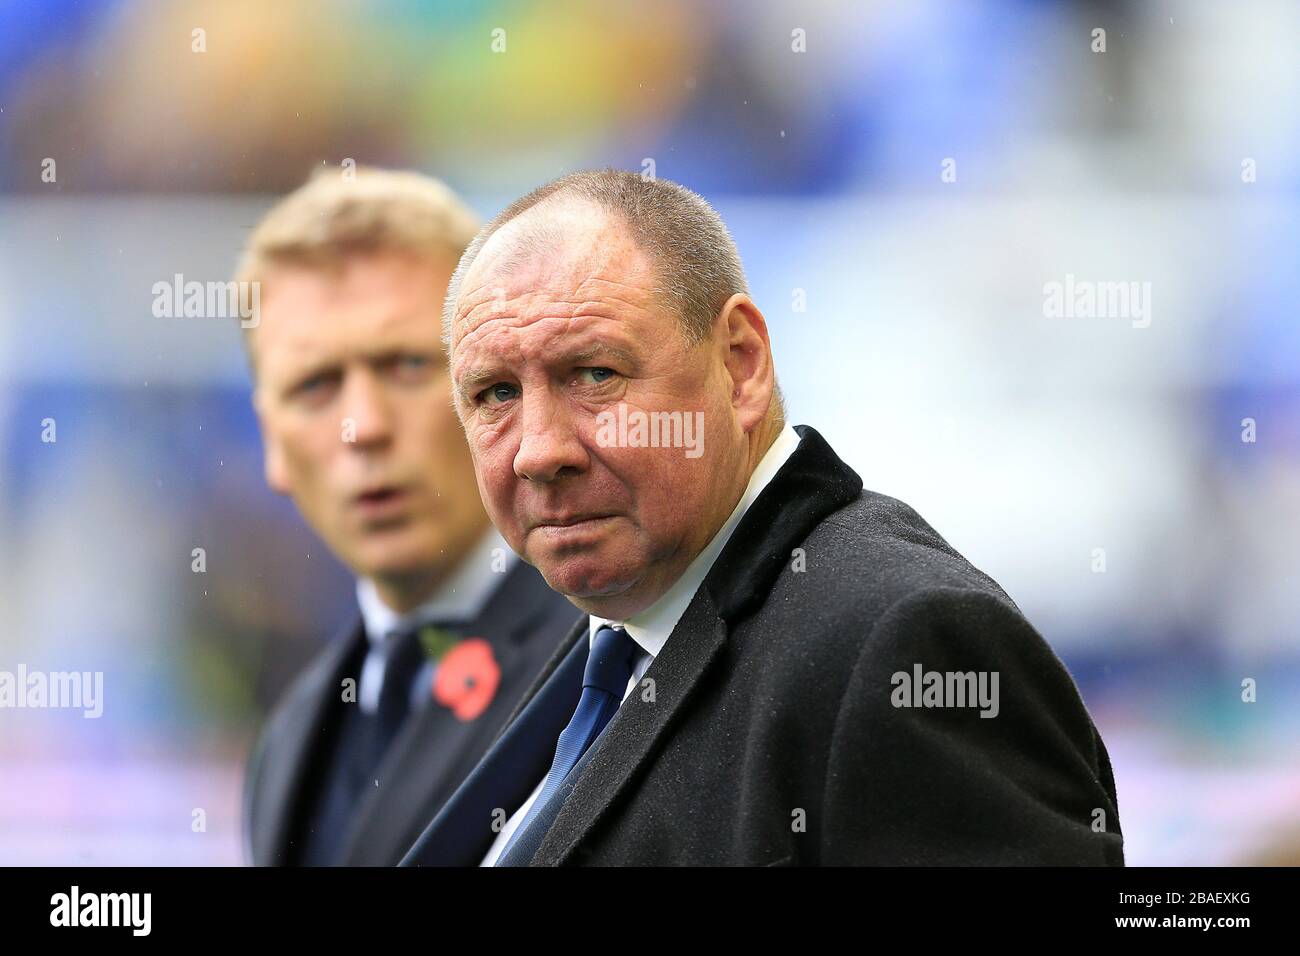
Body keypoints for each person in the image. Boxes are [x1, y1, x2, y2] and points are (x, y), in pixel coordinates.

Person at [402, 168, 1124, 866]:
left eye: (595, 374)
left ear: (741, 365)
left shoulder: (900, 641)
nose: (538, 451)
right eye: (495, 393)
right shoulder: (602, 632)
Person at [237, 168, 578, 865]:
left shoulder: (612, 663)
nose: (363, 426)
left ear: (496, 390)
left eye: (408, 366)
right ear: (271, 438)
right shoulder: (289, 739)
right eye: (315, 385)